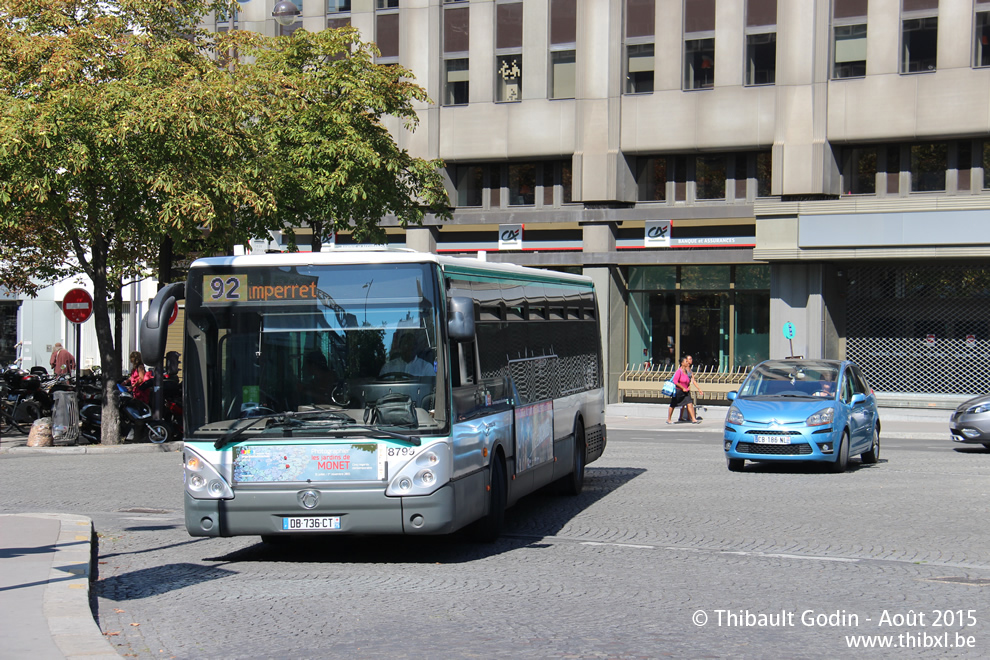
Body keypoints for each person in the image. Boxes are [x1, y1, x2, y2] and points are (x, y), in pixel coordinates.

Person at [667, 355, 704, 424]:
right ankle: (669, 419)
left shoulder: (687, 371)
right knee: (673, 405)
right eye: (686, 361)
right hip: (679, 391)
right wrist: (683, 388)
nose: (688, 362)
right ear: (682, 363)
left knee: (689, 403)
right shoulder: (679, 371)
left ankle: (693, 419)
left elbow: (691, 380)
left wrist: (697, 388)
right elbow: (675, 381)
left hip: (686, 391)